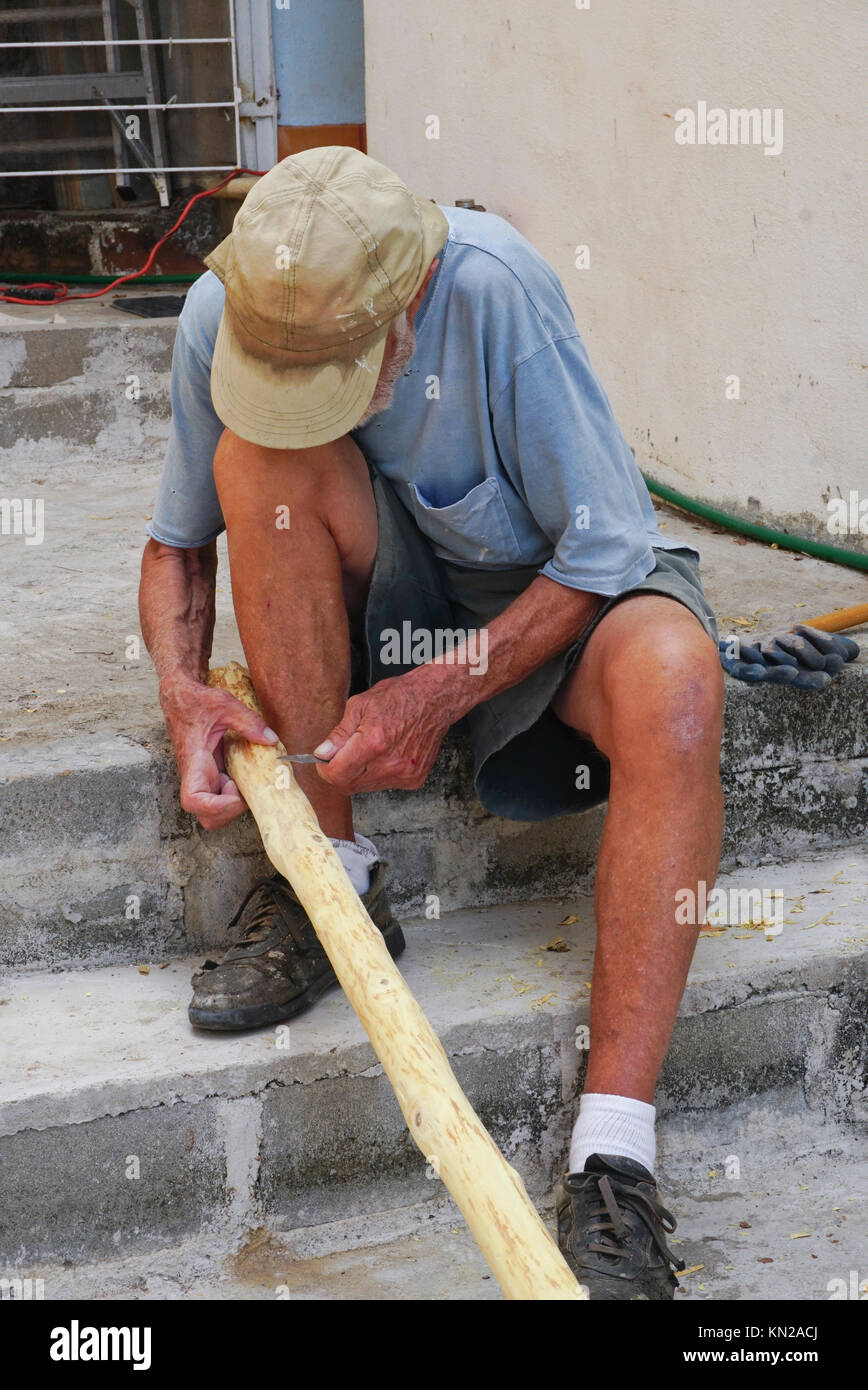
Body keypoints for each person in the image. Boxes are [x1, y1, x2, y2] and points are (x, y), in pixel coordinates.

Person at [138, 147, 844, 1299]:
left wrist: (437, 688)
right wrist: (180, 687)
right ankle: (335, 875)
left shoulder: (494, 289)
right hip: (383, 593)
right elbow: (176, 544)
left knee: (675, 685)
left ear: (403, 307)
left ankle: (613, 1155)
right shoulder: (230, 304)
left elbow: (607, 546)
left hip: (554, 601)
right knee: (254, 458)